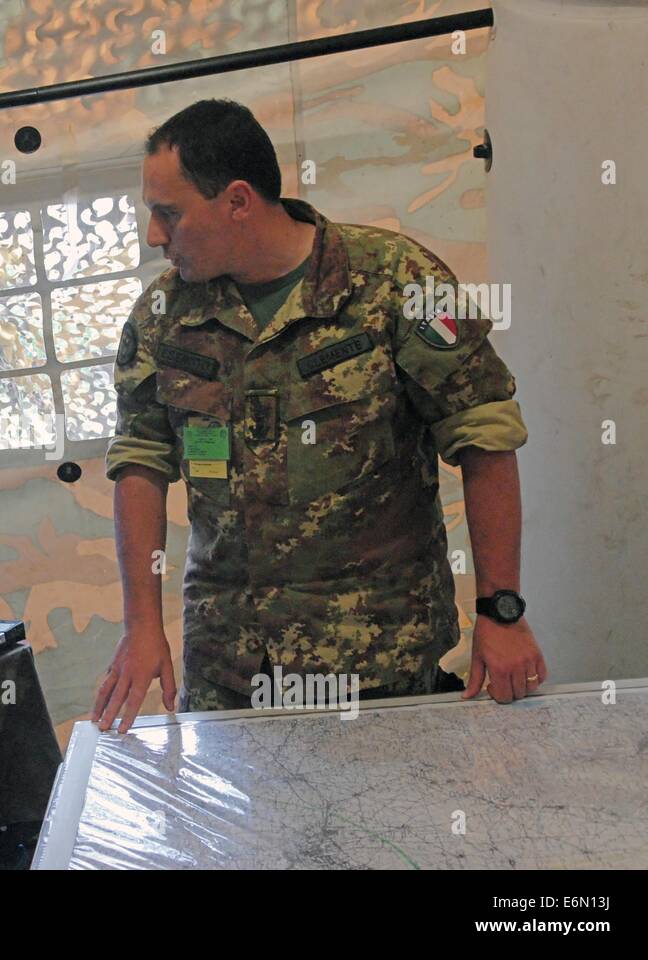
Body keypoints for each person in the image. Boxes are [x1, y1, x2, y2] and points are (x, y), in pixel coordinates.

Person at [93, 99, 547, 733]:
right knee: (243, 834)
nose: (154, 236)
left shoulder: (394, 283)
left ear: (238, 201)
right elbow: (140, 462)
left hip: (378, 661)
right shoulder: (163, 319)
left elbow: (485, 435)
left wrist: (500, 612)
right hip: (231, 668)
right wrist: (142, 627)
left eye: (170, 213)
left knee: (391, 830)